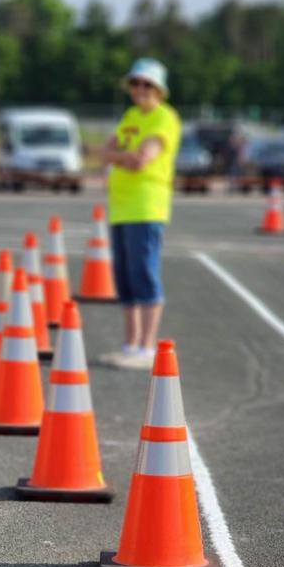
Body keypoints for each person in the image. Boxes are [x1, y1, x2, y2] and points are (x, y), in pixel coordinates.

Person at [100, 57, 180, 370]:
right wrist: (119, 155)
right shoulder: (131, 115)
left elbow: (141, 159)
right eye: (135, 83)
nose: (140, 89)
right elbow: (106, 152)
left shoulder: (164, 118)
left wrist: (115, 156)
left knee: (144, 272)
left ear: (159, 90)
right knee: (125, 276)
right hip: (121, 206)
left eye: (147, 84)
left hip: (147, 205)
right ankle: (130, 344)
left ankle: (147, 347)